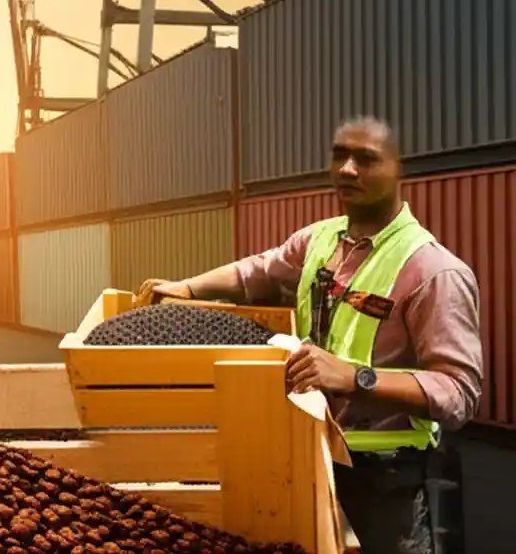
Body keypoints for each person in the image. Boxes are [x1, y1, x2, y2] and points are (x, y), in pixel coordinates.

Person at [137, 116, 482, 554]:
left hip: (386, 476)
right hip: (307, 448)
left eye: (366, 159)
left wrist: (356, 377)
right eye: (340, 156)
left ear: (398, 170)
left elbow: (459, 393)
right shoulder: (319, 239)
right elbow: (257, 270)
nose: (347, 170)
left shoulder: (434, 272)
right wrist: (188, 287)